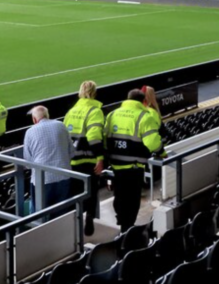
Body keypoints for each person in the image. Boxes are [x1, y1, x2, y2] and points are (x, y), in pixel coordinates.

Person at [105, 89, 165, 232]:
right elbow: (153, 143)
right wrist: (162, 152)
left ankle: (122, 222)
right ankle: (127, 227)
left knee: (119, 194)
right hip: (134, 167)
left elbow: (105, 139)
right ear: (143, 101)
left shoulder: (112, 114)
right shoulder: (144, 116)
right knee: (132, 198)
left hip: (116, 164)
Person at [65, 81, 105, 235]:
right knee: (91, 192)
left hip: (72, 161)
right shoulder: (95, 111)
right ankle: (89, 219)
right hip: (88, 160)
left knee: (75, 194)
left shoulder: (71, 111)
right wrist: (100, 158)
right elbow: (94, 136)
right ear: (94, 92)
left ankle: (74, 226)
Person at [23, 105, 74, 213]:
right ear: (47, 115)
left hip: (42, 180)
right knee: (62, 214)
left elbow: (27, 162)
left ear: (34, 119)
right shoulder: (61, 125)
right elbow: (71, 152)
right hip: (64, 175)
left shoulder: (30, 132)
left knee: (39, 216)